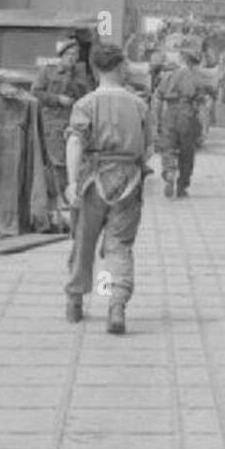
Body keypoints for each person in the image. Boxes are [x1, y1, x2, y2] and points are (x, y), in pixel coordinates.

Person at [64, 41, 152, 334]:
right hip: (129, 181)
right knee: (120, 246)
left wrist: (72, 182)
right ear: (120, 66)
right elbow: (148, 149)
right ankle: (116, 305)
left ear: (94, 68)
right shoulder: (139, 104)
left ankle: (75, 301)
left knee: (83, 242)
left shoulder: (85, 104)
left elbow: (74, 141)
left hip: (93, 180)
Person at [32, 42, 89, 231]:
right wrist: (57, 99)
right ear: (61, 56)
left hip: (72, 123)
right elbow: (36, 92)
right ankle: (60, 202)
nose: (72, 58)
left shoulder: (80, 75)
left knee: (72, 163)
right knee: (56, 164)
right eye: (69, 54)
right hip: (52, 123)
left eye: (75, 55)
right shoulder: (47, 72)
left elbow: (86, 97)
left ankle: (68, 200)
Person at [155, 47, 210, 198]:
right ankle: (182, 187)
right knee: (187, 153)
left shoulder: (168, 76)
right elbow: (202, 106)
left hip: (170, 113)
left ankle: (169, 171)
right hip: (187, 115)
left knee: (168, 148)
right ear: (193, 63)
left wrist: (157, 120)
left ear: (181, 59)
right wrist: (204, 128)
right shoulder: (196, 78)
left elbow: (158, 99)